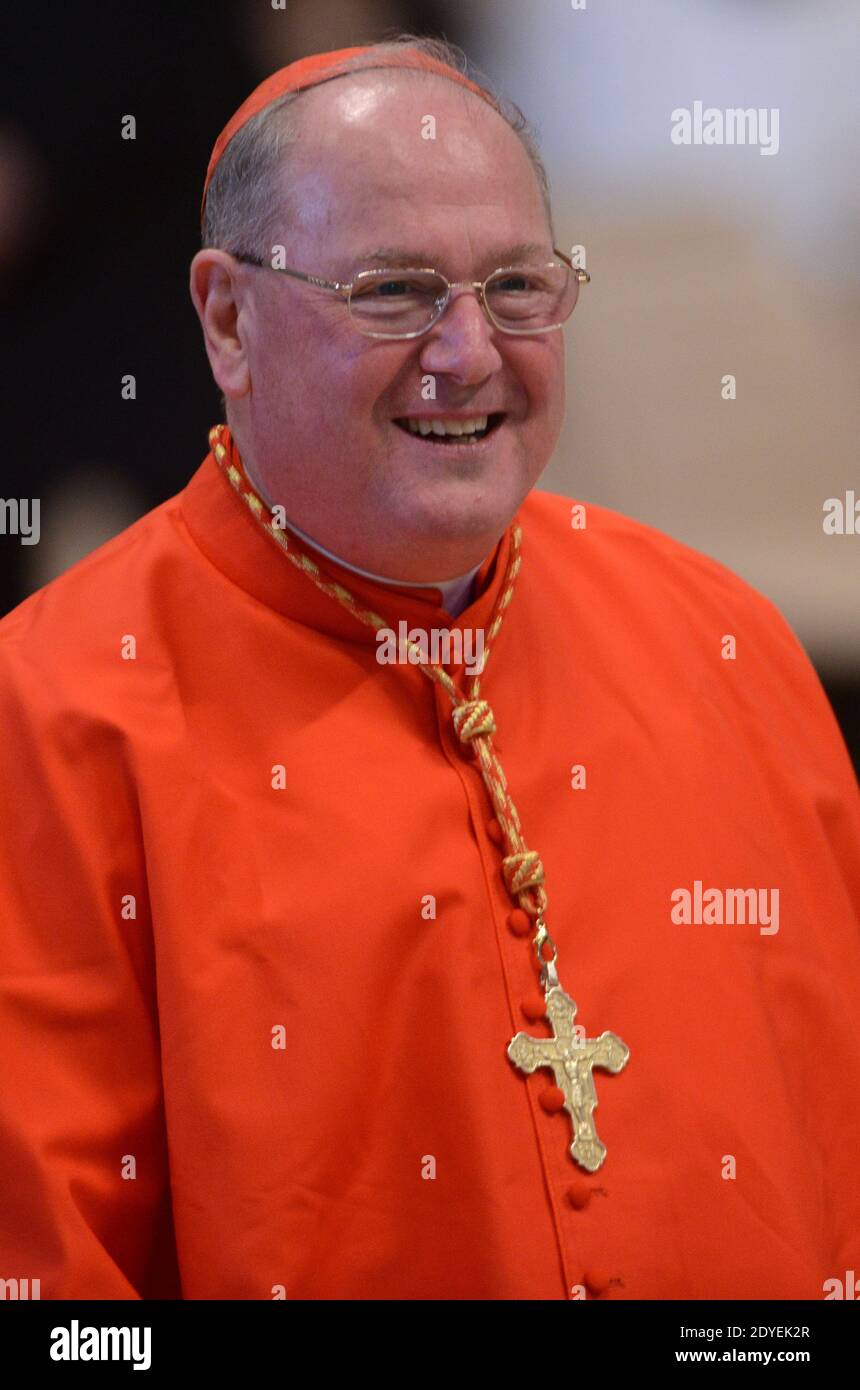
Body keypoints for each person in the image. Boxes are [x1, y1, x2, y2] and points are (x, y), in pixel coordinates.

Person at [1, 36, 858, 1302]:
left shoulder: (724, 640)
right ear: (227, 319)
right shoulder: (53, 705)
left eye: (517, 288)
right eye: (394, 292)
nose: (468, 353)